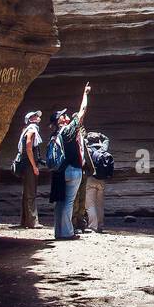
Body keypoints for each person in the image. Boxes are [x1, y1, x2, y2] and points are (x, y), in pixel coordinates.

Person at [49, 82, 91, 240]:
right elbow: (82, 111)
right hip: (73, 170)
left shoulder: (55, 134)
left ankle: (58, 232)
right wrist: (85, 94)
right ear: (61, 121)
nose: (66, 115)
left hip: (60, 171)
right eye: (63, 115)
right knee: (68, 201)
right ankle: (67, 233)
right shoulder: (69, 130)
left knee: (60, 202)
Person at [13, 111, 43, 228]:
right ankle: (32, 221)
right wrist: (34, 166)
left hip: (26, 165)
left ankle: (24, 220)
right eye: (35, 116)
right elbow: (29, 148)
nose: (38, 117)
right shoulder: (31, 130)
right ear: (31, 119)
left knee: (26, 192)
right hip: (29, 165)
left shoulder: (26, 129)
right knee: (31, 192)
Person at [83, 131, 112, 233]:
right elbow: (107, 139)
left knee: (90, 205)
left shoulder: (88, 150)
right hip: (102, 180)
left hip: (90, 179)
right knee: (100, 204)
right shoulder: (103, 149)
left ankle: (92, 226)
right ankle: (100, 225)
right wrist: (100, 134)